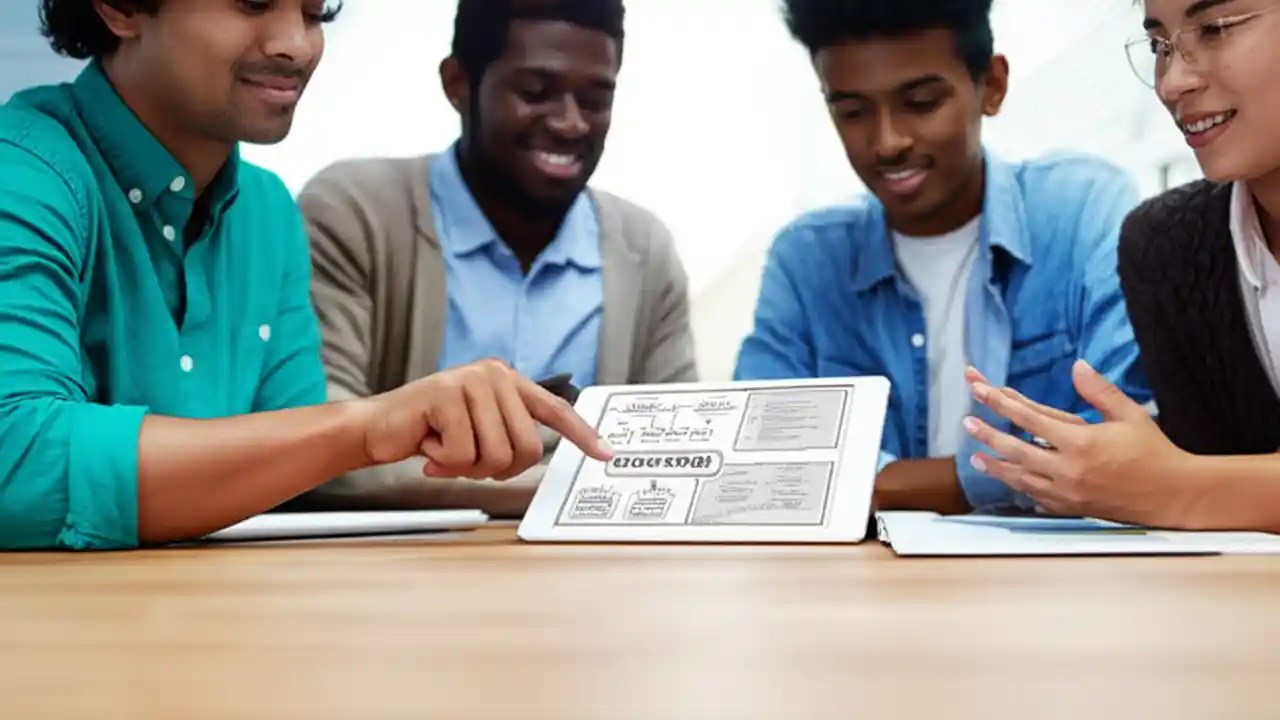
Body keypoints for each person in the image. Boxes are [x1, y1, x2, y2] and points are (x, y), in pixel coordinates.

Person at [0, 0, 610, 551]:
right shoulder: (24, 173)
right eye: (254, 3)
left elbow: (298, 478)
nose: (296, 43)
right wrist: (371, 425)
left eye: (317, 11)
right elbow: (17, 459)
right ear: (122, 7)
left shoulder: (267, 213)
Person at [733, 0, 1152, 515]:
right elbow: (760, 469)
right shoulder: (806, 261)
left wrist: (873, 486)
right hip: (858, 587)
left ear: (992, 86)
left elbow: (1126, 447)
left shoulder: (1082, 208)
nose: (888, 142)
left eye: (921, 102)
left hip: (1058, 586)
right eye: (853, 112)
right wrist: (1018, 472)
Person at [294, 0, 697, 517]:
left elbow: (675, 459)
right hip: (394, 577)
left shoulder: (644, 251)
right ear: (457, 83)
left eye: (596, 100)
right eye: (535, 93)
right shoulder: (355, 213)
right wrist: (568, 486)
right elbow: (317, 443)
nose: (571, 124)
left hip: (585, 579)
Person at [964, 0, 1280, 532]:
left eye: (1217, 28)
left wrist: (1174, 488)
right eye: (1160, 45)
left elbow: (1184, 489)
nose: (1172, 82)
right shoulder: (1166, 248)